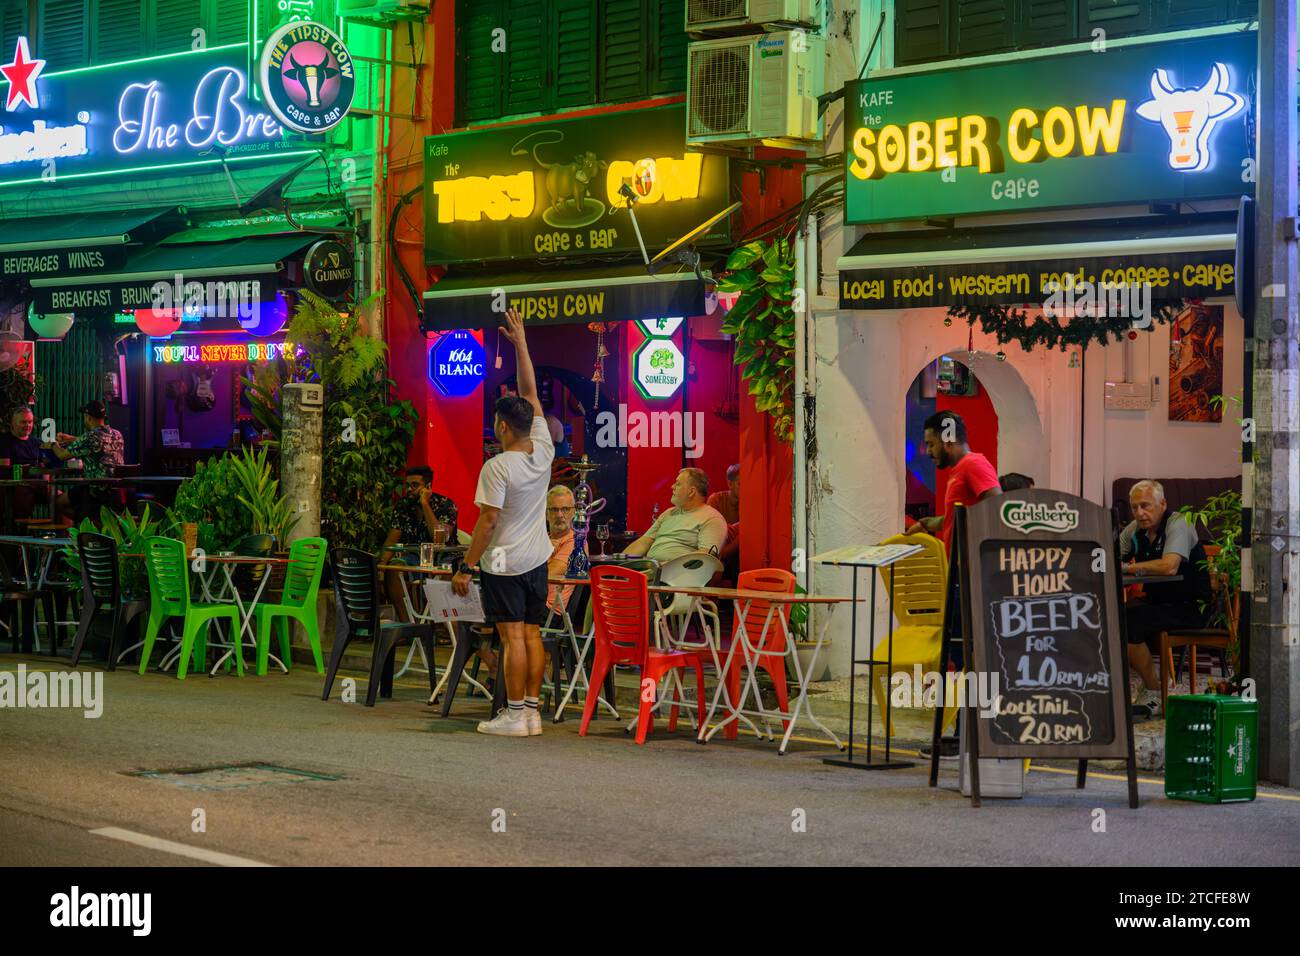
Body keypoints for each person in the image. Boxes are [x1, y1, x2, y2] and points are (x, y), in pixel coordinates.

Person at [453, 307, 554, 738]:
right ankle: (531, 712)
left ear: (501, 426)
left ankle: (514, 714)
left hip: (506, 564)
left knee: (511, 637)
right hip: (537, 562)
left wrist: (467, 566)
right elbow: (530, 393)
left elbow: (488, 521)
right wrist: (521, 344)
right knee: (531, 636)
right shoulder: (544, 447)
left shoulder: (497, 467)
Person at [1119, 480, 1213, 718]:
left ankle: (1154, 690)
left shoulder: (1179, 523)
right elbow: (1108, 556)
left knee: (1129, 621)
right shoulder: (1134, 530)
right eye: (1134, 507)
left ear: (1163, 504)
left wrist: (1130, 569)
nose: (1140, 513)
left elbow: (1169, 567)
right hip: (1158, 603)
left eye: (1146, 506)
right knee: (1115, 615)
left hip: (1191, 607)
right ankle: (1145, 687)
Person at [907, 411, 1001, 550]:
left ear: (949, 441)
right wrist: (927, 523)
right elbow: (960, 517)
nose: (927, 451)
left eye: (931, 444)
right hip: (960, 566)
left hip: (971, 566)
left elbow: (998, 506)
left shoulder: (973, 464)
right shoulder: (960, 469)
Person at [379, 465, 459, 621]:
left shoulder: (445, 504)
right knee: (394, 570)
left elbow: (439, 539)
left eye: (414, 485)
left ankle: (444, 626)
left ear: (427, 487)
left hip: (444, 556)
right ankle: (408, 624)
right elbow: (392, 538)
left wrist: (425, 504)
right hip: (415, 556)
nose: (409, 489)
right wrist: (382, 566)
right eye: (407, 485)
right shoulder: (403, 506)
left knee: (445, 573)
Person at [42, 400, 124, 523]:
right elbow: (99, 441)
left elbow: (62, 455)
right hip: (116, 491)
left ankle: (85, 523)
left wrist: (53, 443)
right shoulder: (117, 435)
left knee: (58, 502)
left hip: (95, 490)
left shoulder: (89, 437)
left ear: (88, 418)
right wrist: (72, 439)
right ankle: (91, 522)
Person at [624, 467, 728, 563]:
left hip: (678, 577)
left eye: (677, 484)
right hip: (651, 570)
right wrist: (619, 564)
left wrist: (665, 566)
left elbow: (705, 559)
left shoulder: (712, 518)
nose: (672, 487)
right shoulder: (668, 513)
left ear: (691, 491)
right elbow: (643, 542)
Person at [0, 406, 54, 530]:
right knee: (23, 498)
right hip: (15, 487)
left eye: (30, 422)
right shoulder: (4, 441)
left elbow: (46, 465)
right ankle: (20, 537)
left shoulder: (37, 443)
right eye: (23, 422)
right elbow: (4, 469)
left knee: (62, 500)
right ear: (13, 424)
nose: (28, 425)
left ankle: (63, 539)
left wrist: (47, 482)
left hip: (38, 485)